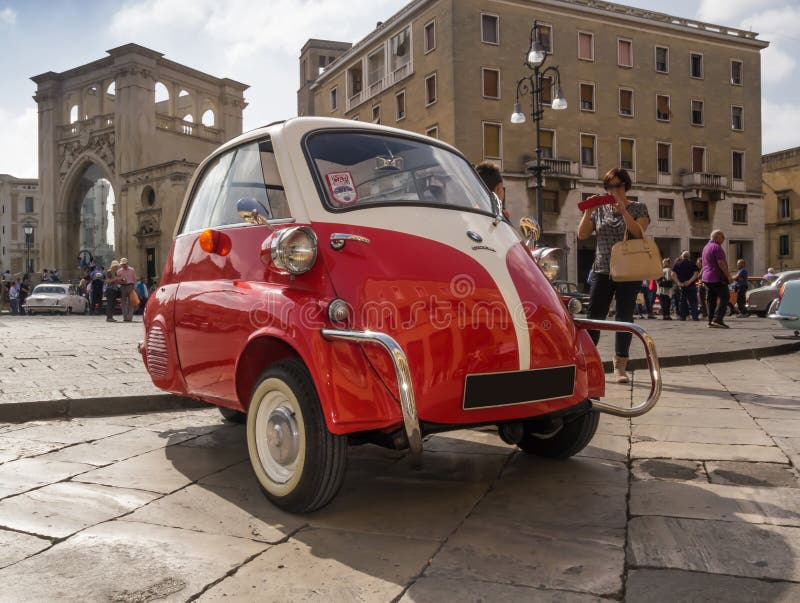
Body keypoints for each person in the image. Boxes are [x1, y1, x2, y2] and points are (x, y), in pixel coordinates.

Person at [578, 167, 650, 383]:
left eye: (617, 185)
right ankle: (587, 362)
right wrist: (589, 211)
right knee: (594, 317)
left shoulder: (639, 208)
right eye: (609, 186)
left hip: (629, 270)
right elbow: (582, 235)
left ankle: (620, 366)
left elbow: (639, 233)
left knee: (624, 317)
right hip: (602, 269)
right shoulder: (600, 210)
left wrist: (624, 210)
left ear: (625, 186)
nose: (613, 189)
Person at [702, 230, 731, 328]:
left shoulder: (706, 247)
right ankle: (717, 319)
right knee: (725, 296)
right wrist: (728, 276)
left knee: (711, 300)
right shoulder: (717, 247)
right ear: (718, 237)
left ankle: (710, 321)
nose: (723, 239)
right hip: (716, 277)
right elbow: (721, 262)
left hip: (706, 278)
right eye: (722, 237)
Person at [672, 251, 700, 321]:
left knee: (682, 302)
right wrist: (690, 281)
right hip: (691, 285)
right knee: (693, 302)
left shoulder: (677, 264)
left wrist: (678, 282)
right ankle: (695, 317)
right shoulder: (692, 264)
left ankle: (682, 317)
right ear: (689, 257)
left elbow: (673, 274)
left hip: (681, 286)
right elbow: (696, 274)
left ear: (682, 256)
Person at [116, 258, 137, 322]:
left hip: (130, 285)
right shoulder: (119, 271)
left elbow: (134, 279)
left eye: (124, 264)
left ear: (127, 263)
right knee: (123, 303)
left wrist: (134, 287)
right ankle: (125, 317)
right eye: (122, 264)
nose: (123, 265)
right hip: (123, 287)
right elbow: (117, 280)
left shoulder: (132, 270)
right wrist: (121, 282)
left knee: (131, 303)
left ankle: (130, 317)